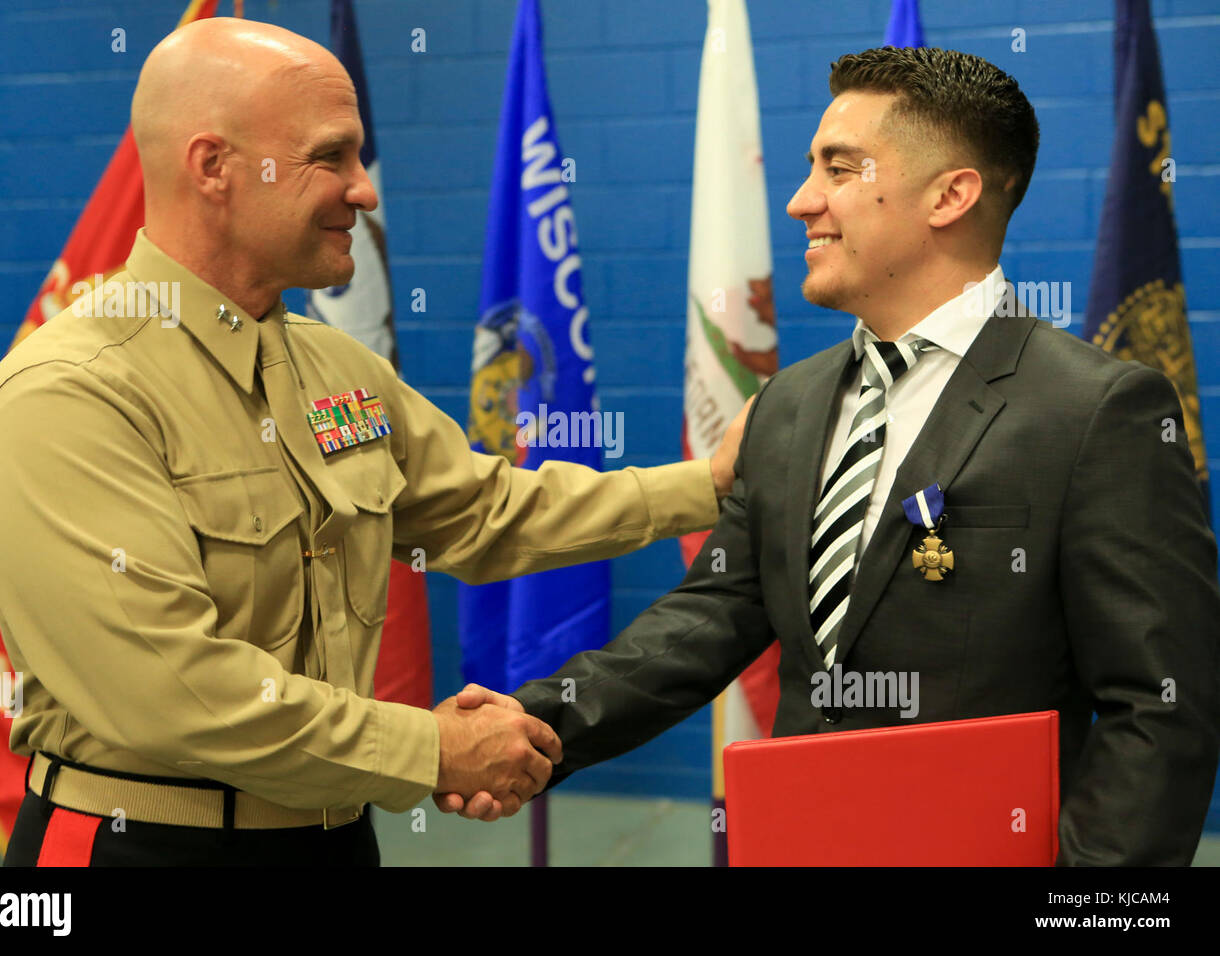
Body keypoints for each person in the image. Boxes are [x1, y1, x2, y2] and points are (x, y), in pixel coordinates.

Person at [0, 17, 747, 866]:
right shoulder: (70, 394)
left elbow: (486, 512)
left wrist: (712, 484)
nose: (364, 190)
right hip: (142, 846)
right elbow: (171, 692)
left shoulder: (334, 367)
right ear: (214, 167)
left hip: (332, 839)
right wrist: (432, 751)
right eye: (330, 157)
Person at [439, 47, 1220, 866]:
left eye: (838, 170)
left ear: (951, 195)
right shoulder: (788, 404)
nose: (800, 200)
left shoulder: (1098, 410)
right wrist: (533, 727)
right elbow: (708, 619)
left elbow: (1160, 709)